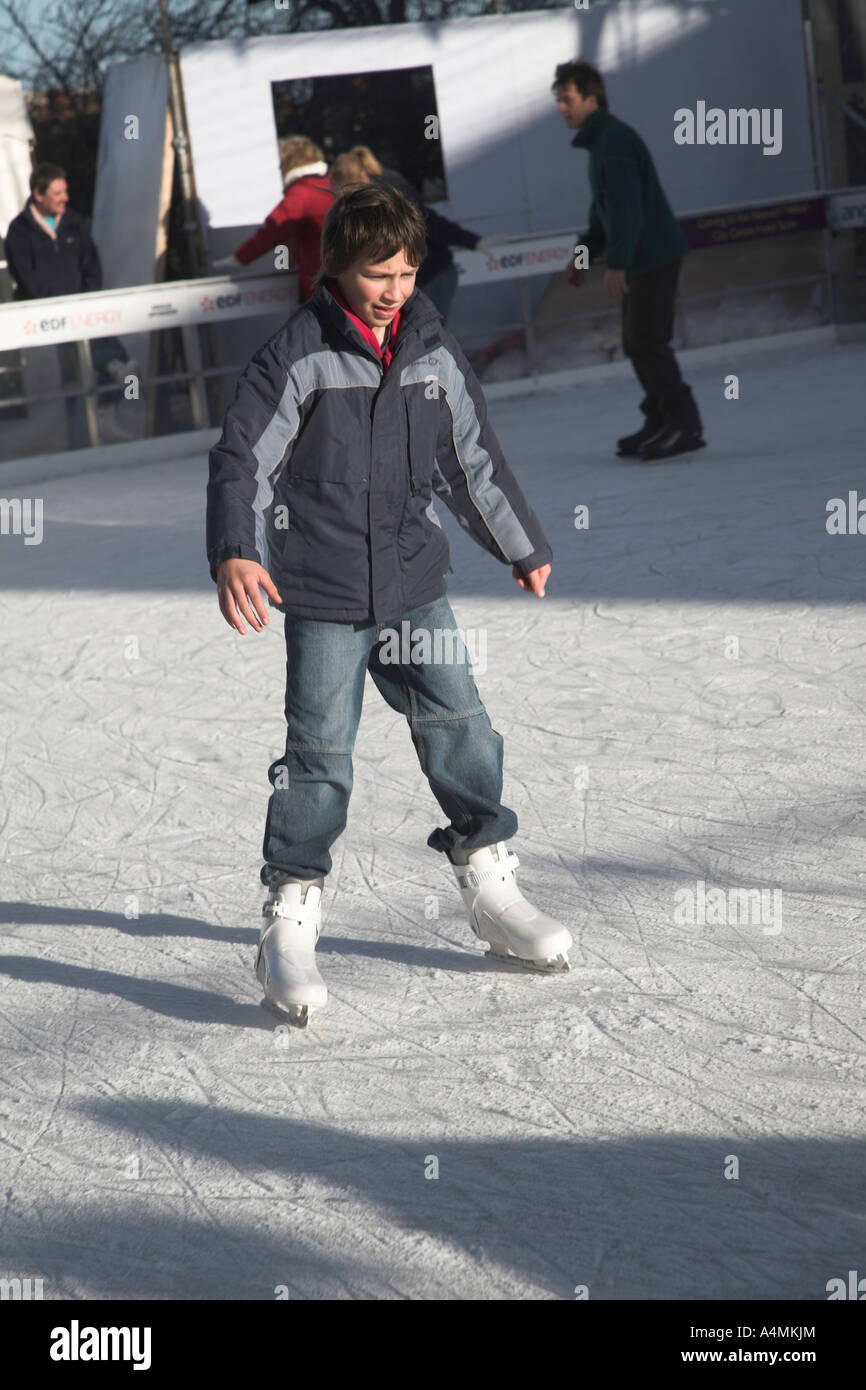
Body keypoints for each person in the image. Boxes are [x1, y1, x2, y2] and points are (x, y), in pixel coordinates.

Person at [206, 181, 572, 1027]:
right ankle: (290, 915)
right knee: (319, 755)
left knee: (463, 727)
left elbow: (468, 461)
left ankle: (488, 879)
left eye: (408, 272)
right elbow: (242, 461)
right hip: (327, 591)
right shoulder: (298, 354)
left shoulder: (431, 351)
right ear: (336, 267)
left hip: (412, 584)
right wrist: (235, 547)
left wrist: (521, 544)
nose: (396, 289)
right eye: (379, 273)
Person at [553, 60, 705, 461]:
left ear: (592, 99)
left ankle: (682, 424)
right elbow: (601, 213)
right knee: (638, 344)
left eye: (567, 99)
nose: (561, 108)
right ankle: (659, 420)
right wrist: (583, 255)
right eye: (558, 100)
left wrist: (617, 263)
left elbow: (627, 211)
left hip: (651, 256)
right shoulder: (601, 144)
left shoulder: (614, 142)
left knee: (648, 342)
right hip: (642, 257)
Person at [4, 162, 136, 443]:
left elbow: (91, 263)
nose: (65, 198)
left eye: (65, 191)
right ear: (39, 195)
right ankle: (109, 376)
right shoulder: (18, 231)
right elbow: (26, 277)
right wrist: (57, 307)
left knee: (101, 344)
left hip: (82, 309)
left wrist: (85, 299)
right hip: (46, 319)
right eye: (58, 193)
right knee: (73, 372)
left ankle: (107, 411)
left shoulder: (73, 220)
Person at [329, 145, 505, 324]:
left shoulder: (390, 193)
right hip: (422, 275)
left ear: (360, 178)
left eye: (345, 192)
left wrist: (474, 241)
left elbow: (429, 222)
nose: (345, 199)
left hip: (432, 274)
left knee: (425, 334)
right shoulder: (379, 190)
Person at [215, 136, 334, 302]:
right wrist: (283, 266)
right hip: (338, 277)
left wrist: (239, 258)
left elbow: (274, 231)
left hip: (319, 282)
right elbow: (288, 236)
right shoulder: (329, 184)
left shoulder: (301, 194)